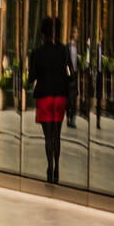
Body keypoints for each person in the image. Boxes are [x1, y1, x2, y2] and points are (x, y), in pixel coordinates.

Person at [29, 16, 69, 183]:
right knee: (57, 135)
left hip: (44, 96)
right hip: (59, 95)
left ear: (42, 34)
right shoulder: (63, 50)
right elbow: (68, 72)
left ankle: (49, 167)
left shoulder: (37, 52)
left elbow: (32, 77)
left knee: (48, 137)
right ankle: (57, 167)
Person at [66, 25, 79, 127]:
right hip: (69, 76)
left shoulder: (78, 47)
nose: (77, 35)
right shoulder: (68, 47)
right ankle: (68, 118)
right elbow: (66, 62)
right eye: (76, 33)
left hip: (76, 75)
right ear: (72, 34)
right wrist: (68, 74)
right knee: (68, 99)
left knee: (74, 98)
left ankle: (73, 120)